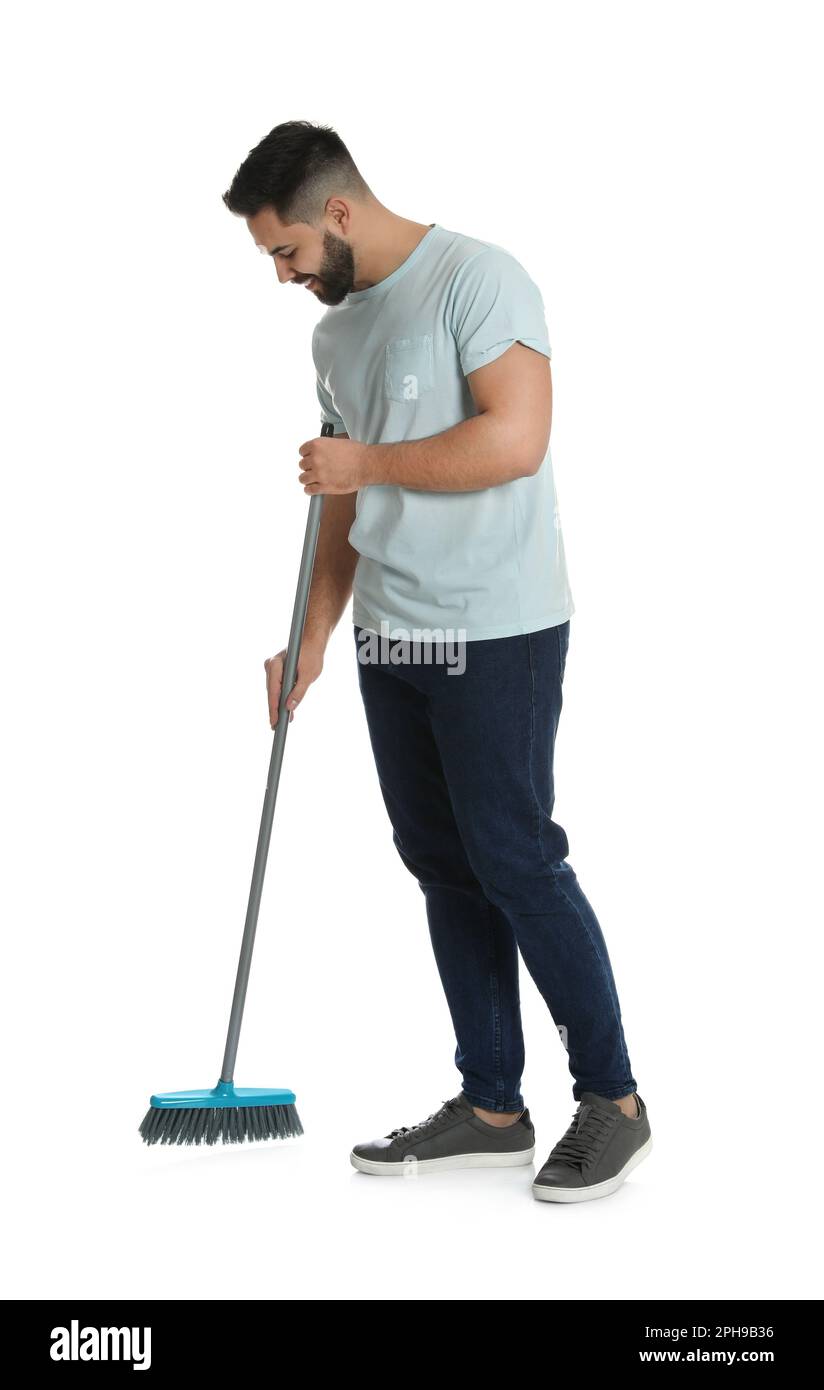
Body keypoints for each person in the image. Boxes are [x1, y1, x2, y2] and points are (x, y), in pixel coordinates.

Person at [223, 120, 652, 1202]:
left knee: (514, 857)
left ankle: (613, 1100)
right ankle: (492, 1104)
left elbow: (514, 440)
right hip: (391, 635)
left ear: (337, 212)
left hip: (496, 627)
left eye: (286, 253)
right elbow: (343, 505)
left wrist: (362, 456)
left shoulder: (479, 279)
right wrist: (312, 641)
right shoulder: (334, 339)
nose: (282, 278)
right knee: (438, 859)